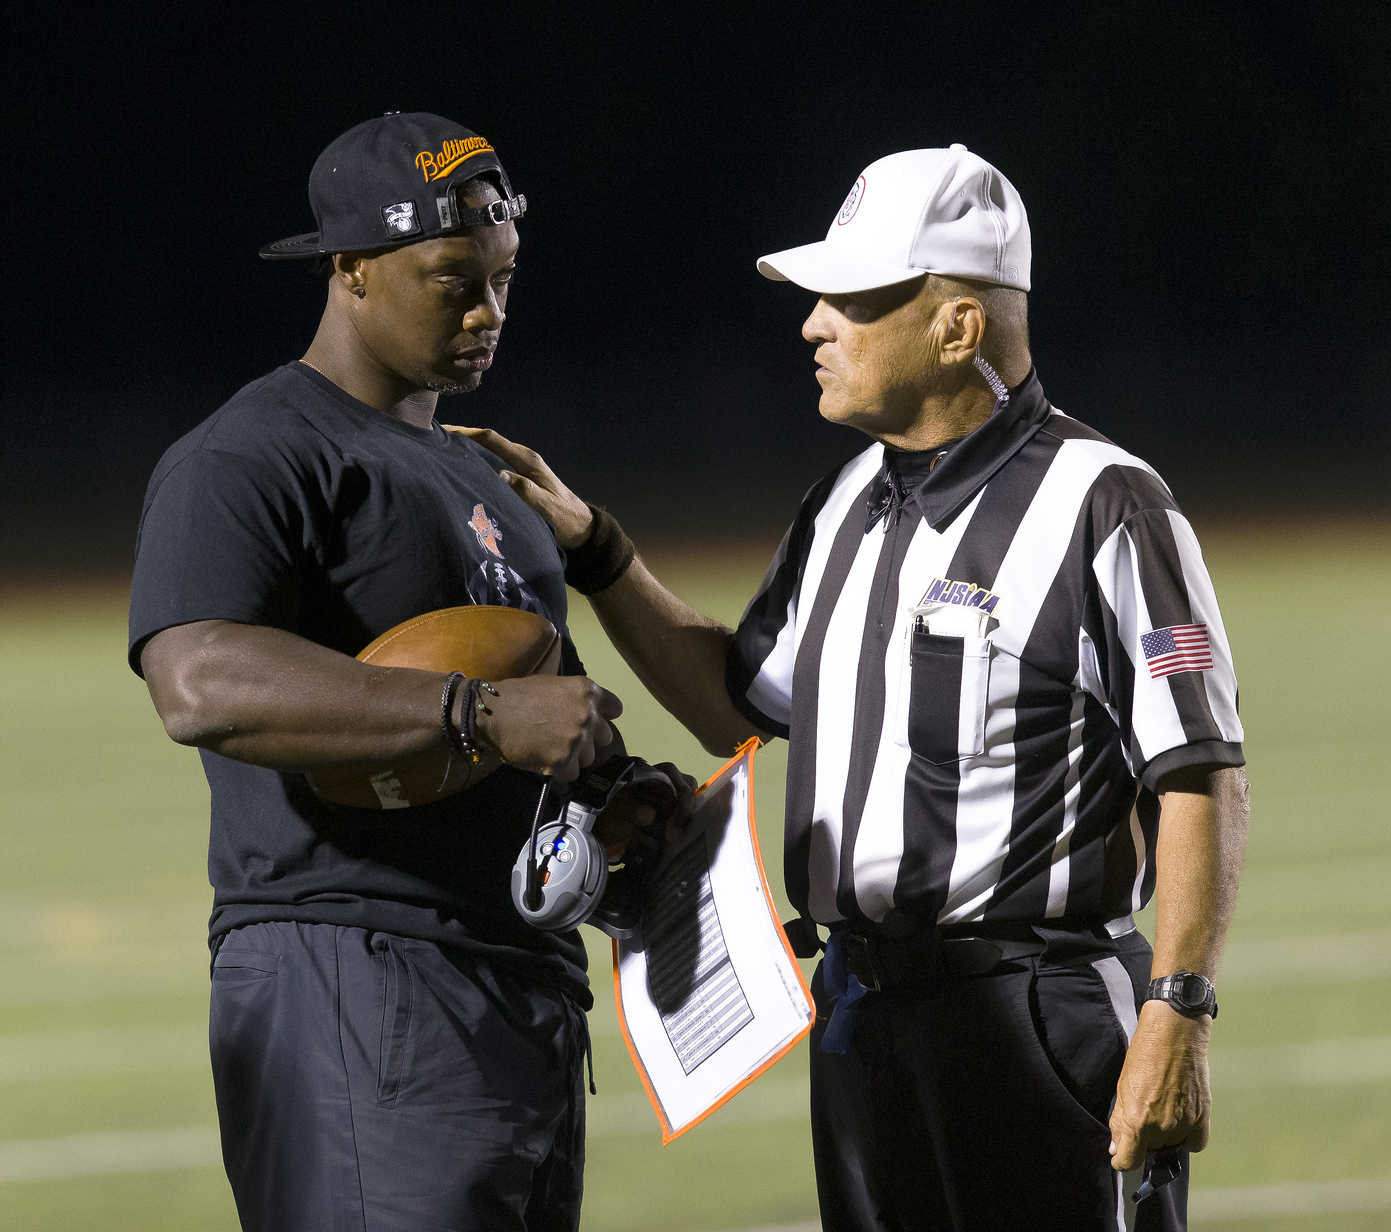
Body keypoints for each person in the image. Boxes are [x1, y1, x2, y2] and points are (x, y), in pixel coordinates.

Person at [465, 145, 1250, 1231]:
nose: (813, 321)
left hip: (1033, 1006)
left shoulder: (1103, 503)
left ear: (958, 325)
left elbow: (1199, 772)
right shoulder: (843, 502)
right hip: (857, 1007)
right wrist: (601, 551)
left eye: (852, 296)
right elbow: (734, 703)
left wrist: (1176, 1009)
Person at [128, 112, 690, 1232]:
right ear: (350, 269)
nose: (488, 311)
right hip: (352, 971)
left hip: (512, 986)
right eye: (451, 280)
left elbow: (539, 730)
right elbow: (197, 678)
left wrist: (609, 800)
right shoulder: (254, 451)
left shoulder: (488, 478)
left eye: (502, 276)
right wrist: (473, 709)